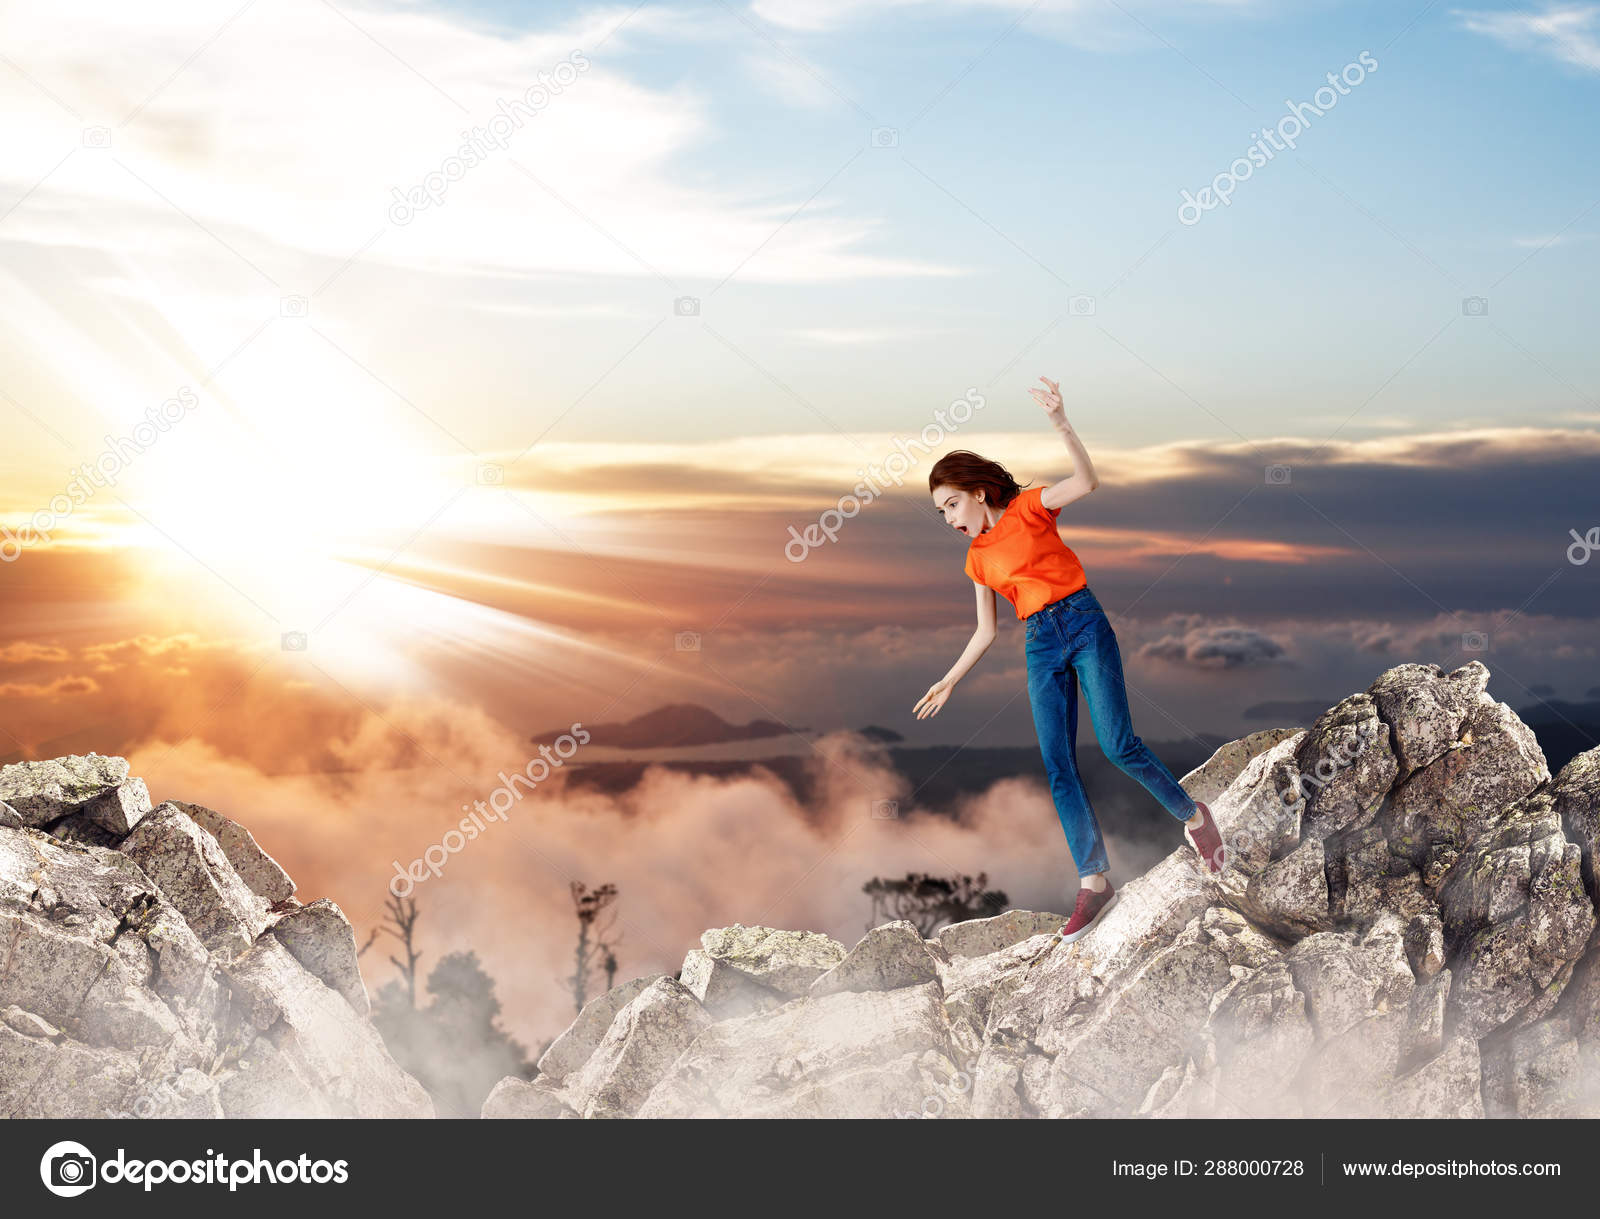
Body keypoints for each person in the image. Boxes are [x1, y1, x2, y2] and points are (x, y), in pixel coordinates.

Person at [913, 375, 1225, 943]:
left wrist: (1060, 421)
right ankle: (1094, 880)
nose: (950, 518)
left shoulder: (1032, 508)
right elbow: (984, 631)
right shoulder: (977, 562)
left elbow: (1087, 480)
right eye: (940, 513)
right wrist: (949, 680)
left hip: (1083, 623)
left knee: (1117, 744)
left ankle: (1195, 817)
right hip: (1039, 643)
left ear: (978, 492)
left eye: (952, 503)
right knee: (1058, 765)